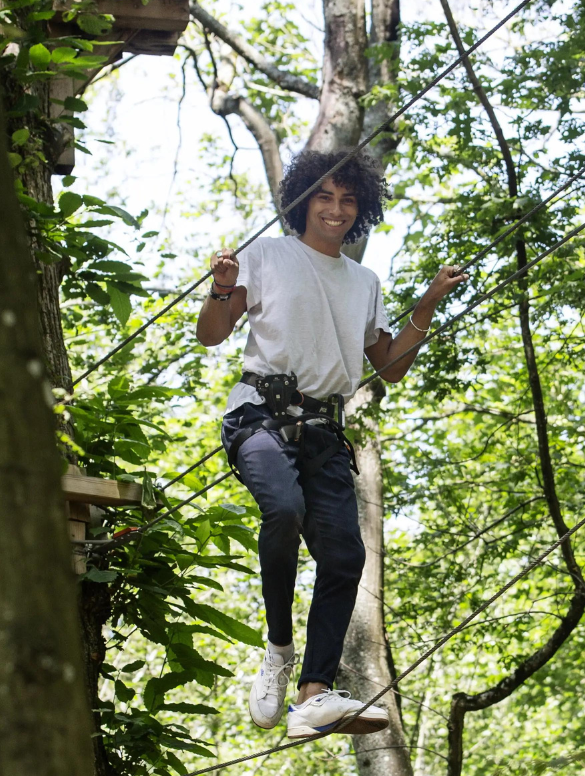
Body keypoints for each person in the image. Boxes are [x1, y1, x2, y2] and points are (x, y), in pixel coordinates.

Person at [195, 150, 467, 739]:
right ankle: (278, 651)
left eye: (348, 200)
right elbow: (211, 335)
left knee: (346, 556)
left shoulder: (363, 282)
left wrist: (427, 304)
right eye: (324, 197)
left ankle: (313, 695)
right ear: (303, 202)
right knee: (284, 509)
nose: (336, 210)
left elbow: (389, 366)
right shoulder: (268, 254)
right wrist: (221, 287)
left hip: (323, 431)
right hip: (258, 417)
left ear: (361, 208)